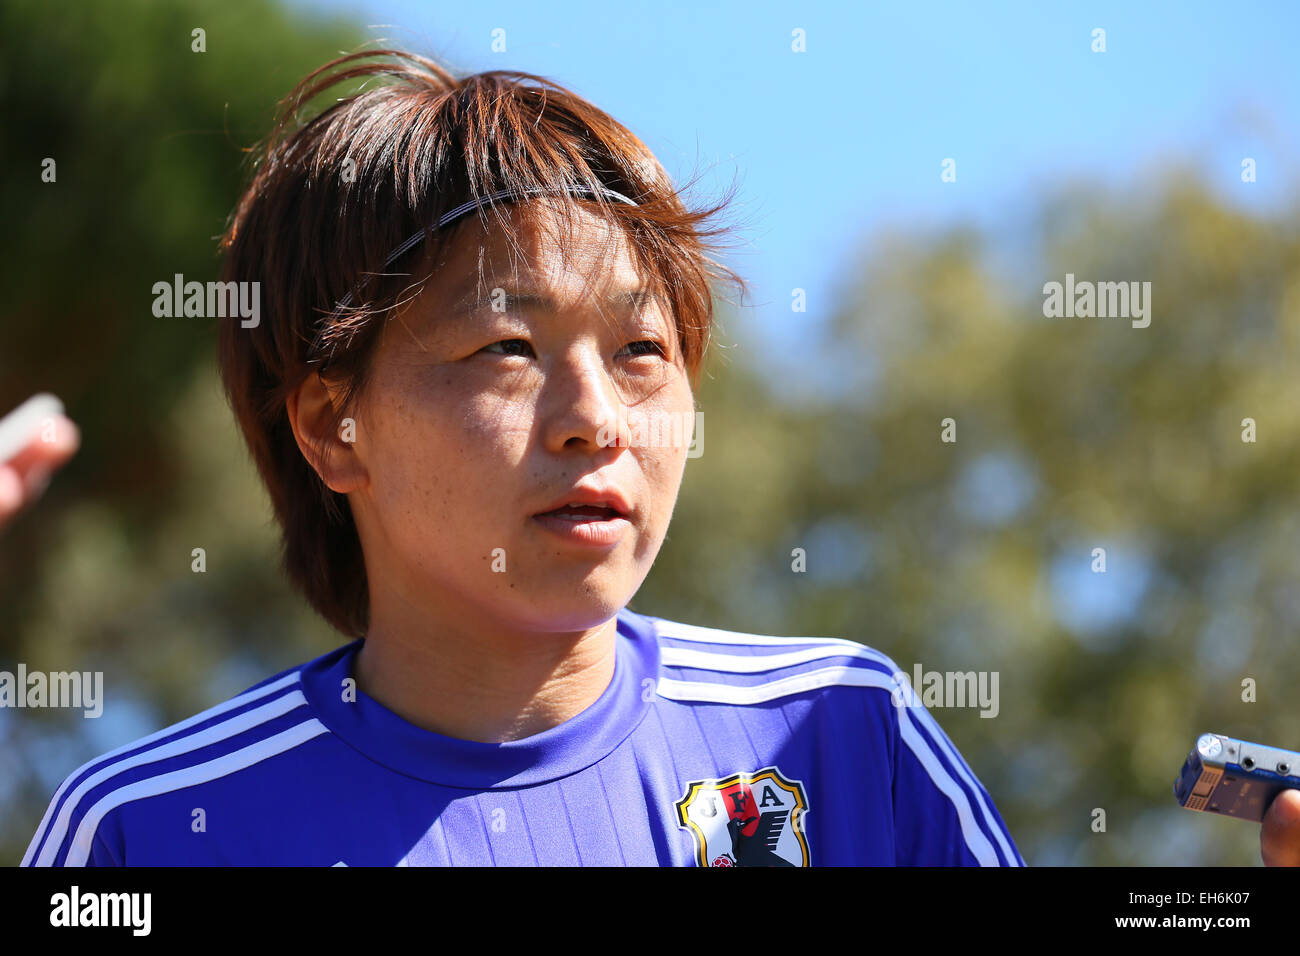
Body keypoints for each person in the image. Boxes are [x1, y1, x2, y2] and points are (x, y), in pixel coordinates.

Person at [16, 49, 1292, 867]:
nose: (595, 418)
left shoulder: (843, 737)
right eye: (506, 350)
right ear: (328, 426)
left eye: (640, 350)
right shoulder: (145, 830)